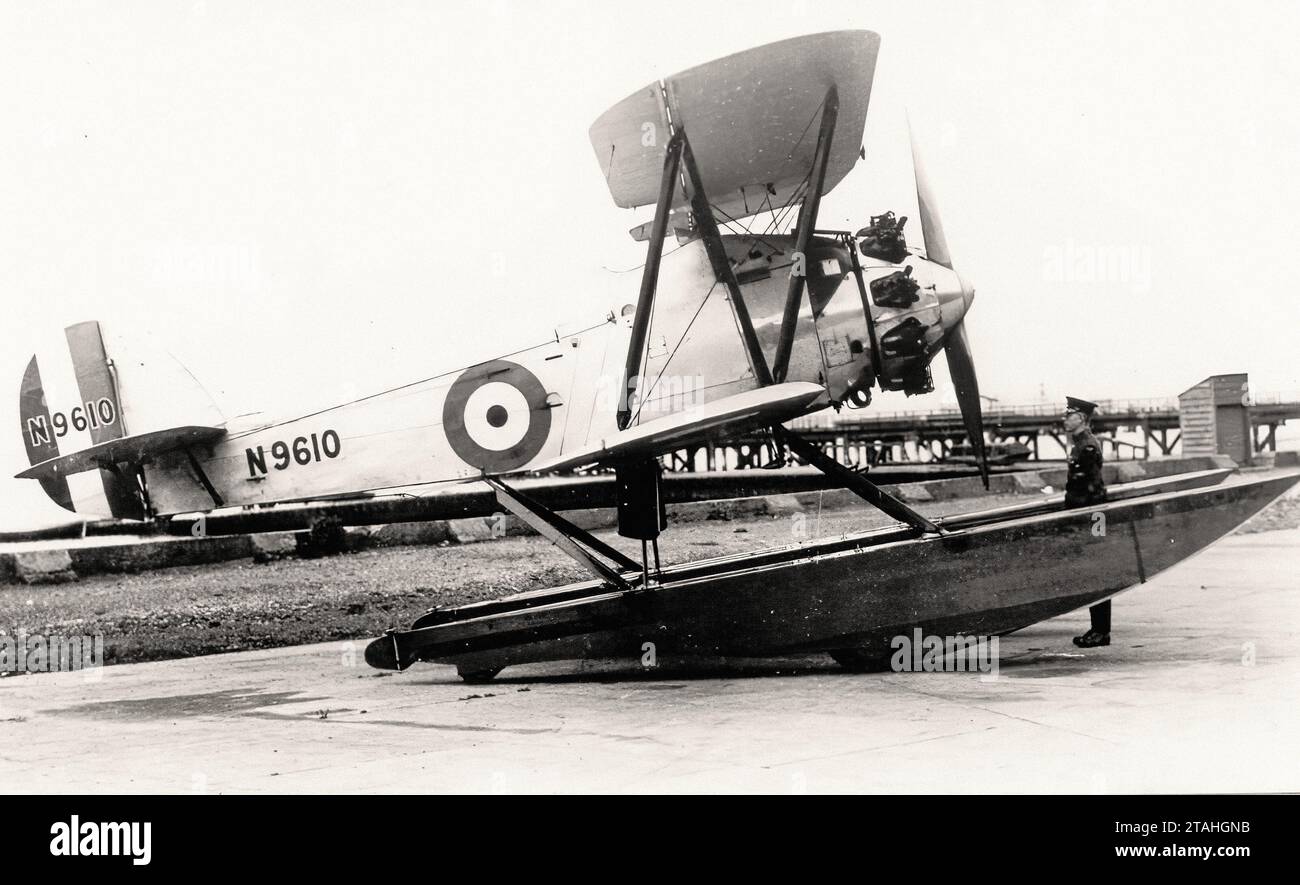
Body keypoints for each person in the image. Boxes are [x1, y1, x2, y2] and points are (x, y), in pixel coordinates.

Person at [1062, 396, 1110, 648]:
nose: (1064, 419)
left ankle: (1100, 631)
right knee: (1094, 570)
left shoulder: (1087, 446)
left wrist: (1076, 518)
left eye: (1069, 415)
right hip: (1090, 514)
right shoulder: (1080, 443)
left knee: (1097, 571)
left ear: (1080, 418)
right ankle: (1099, 629)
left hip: (1092, 516)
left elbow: (1090, 488)